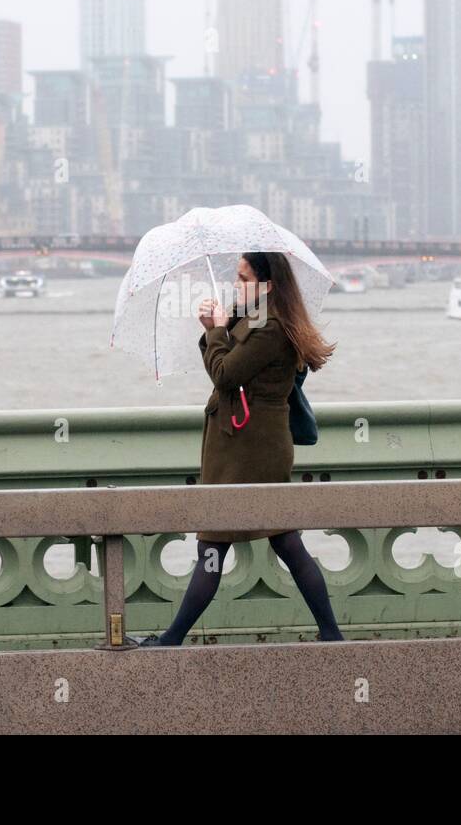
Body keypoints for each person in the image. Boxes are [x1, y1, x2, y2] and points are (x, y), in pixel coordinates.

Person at [131, 250, 344, 647]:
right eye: (237, 277)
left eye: (244, 278)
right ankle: (330, 634)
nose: (236, 284)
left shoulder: (272, 327)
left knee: (217, 541)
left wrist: (215, 331)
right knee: (282, 540)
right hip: (245, 445)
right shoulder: (260, 318)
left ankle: (171, 640)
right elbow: (233, 359)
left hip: (249, 450)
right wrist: (219, 324)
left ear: (269, 285)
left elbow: (226, 374)